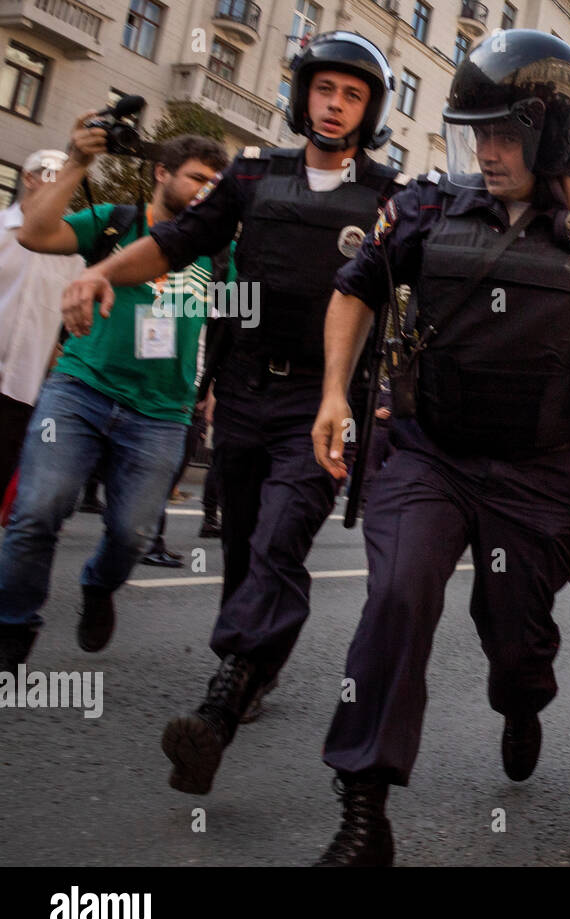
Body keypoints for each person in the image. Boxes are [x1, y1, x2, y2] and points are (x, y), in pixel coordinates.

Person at [308, 30, 570, 865]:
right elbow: (356, 291)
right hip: (430, 453)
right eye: (479, 135)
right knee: (397, 598)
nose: (488, 152)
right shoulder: (427, 206)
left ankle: (521, 700)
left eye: (506, 135)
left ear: (553, 137)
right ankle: (363, 808)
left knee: (517, 640)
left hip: (538, 474)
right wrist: (332, 392)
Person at [59, 32, 411, 794]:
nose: (335, 105)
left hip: (323, 402)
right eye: (325, 89)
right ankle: (251, 666)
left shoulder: (390, 198)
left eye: (352, 95)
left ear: (372, 110)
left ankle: (221, 703)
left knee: (281, 539)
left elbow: (429, 278)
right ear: (303, 95)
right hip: (246, 389)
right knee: (247, 546)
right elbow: (178, 240)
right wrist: (103, 273)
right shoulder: (253, 175)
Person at [0, 126, 227, 676]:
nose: (205, 192)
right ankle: (14, 621)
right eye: (196, 178)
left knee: (132, 534)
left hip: (161, 412)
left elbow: (241, 320)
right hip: (81, 390)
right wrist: (78, 161)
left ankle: (99, 586)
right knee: (37, 510)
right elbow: (35, 233)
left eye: (215, 185)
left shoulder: (222, 252)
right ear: (162, 173)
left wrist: (218, 390)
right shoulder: (114, 222)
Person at [0, 150, 85, 496]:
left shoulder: (74, 254)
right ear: (28, 178)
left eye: (66, 179)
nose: (58, 184)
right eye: (50, 175)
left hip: (24, 386)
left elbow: (68, 321)